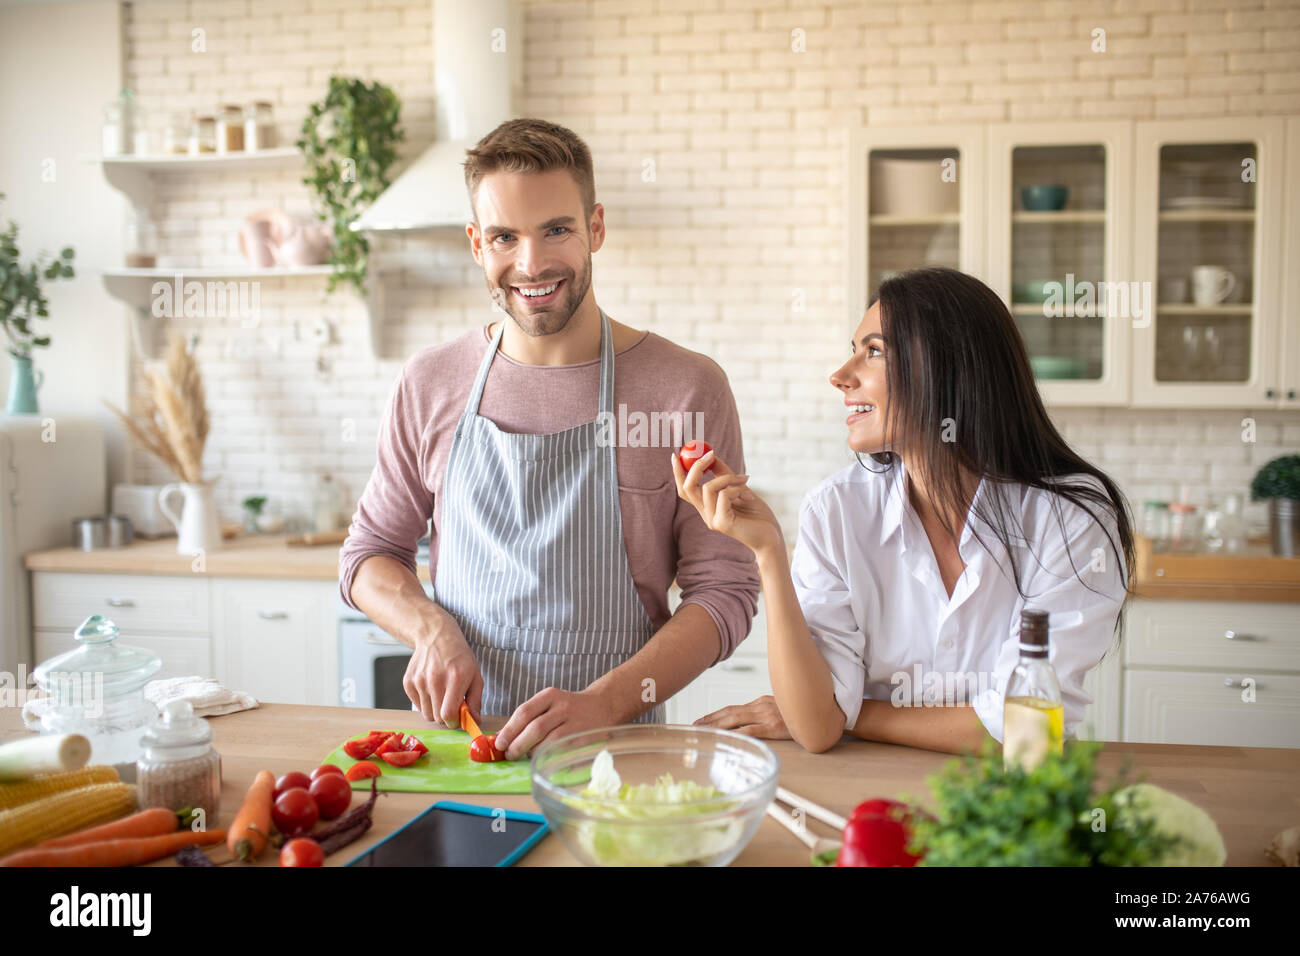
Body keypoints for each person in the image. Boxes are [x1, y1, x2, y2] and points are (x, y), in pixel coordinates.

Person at [340, 118, 759, 759]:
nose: (531, 264)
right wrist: (428, 627)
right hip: (462, 754)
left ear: (595, 228)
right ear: (478, 245)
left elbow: (725, 589)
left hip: (617, 759)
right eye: (506, 236)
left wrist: (608, 702)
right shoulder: (429, 382)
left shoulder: (685, 388)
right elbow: (369, 554)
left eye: (555, 230)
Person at [673, 267, 1133, 755]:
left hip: (1013, 806)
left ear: (947, 366)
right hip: (870, 793)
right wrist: (768, 553)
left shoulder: (1070, 520)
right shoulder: (837, 510)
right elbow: (815, 729)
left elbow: (1027, 732)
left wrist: (850, 712)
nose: (840, 376)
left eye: (872, 352)